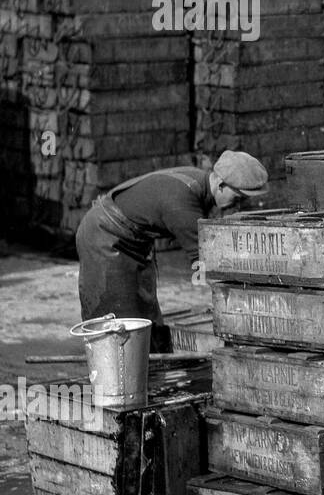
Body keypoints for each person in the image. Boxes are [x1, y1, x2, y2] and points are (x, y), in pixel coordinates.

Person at [75, 151, 268, 353]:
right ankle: (114, 376)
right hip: (104, 236)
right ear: (220, 185)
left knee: (146, 315)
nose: (237, 206)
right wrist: (238, 307)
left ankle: (147, 369)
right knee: (120, 321)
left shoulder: (199, 180)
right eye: (237, 198)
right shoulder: (183, 206)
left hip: (134, 239)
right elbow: (203, 264)